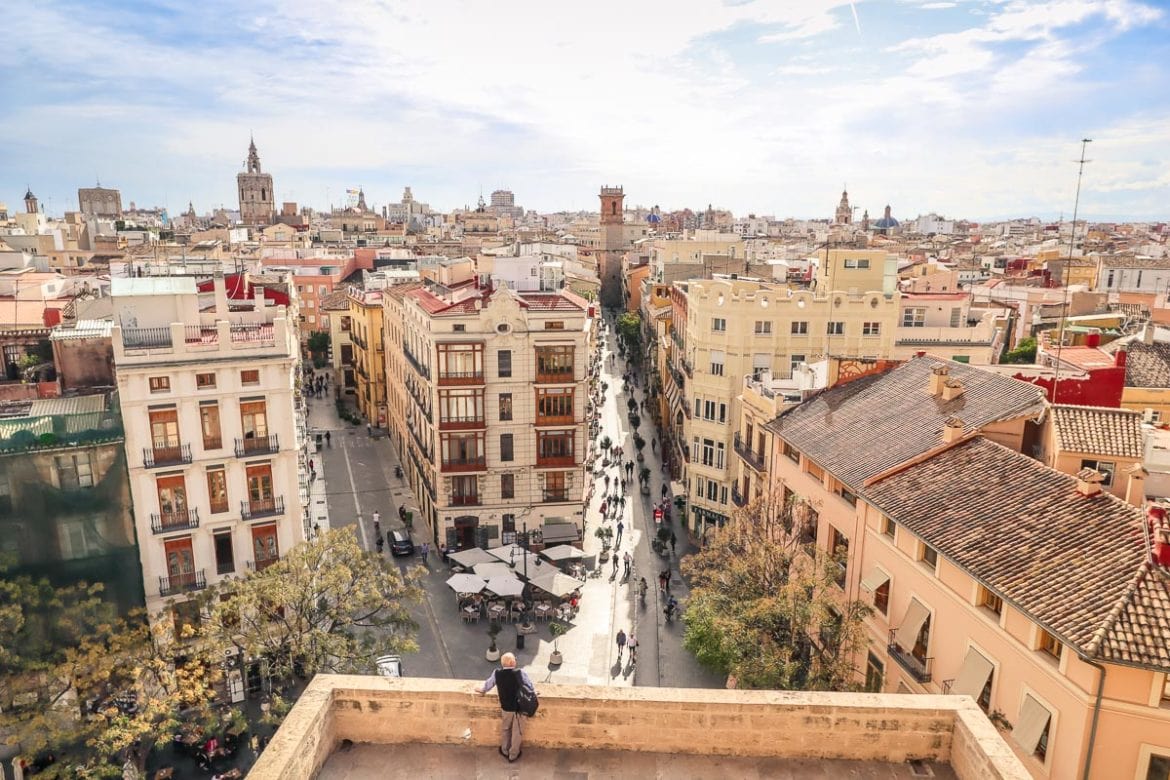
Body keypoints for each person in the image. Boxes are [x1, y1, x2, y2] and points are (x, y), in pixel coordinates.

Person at [475, 653, 533, 763]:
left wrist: (482, 689)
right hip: (519, 709)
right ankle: (513, 755)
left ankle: (504, 750)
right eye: (514, 659)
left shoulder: (497, 673)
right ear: (512, 663)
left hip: (506, 708)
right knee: (517, 732)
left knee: (506, 729)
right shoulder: (520, 673)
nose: (516, 661)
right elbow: (529, 686)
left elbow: (488, 685)